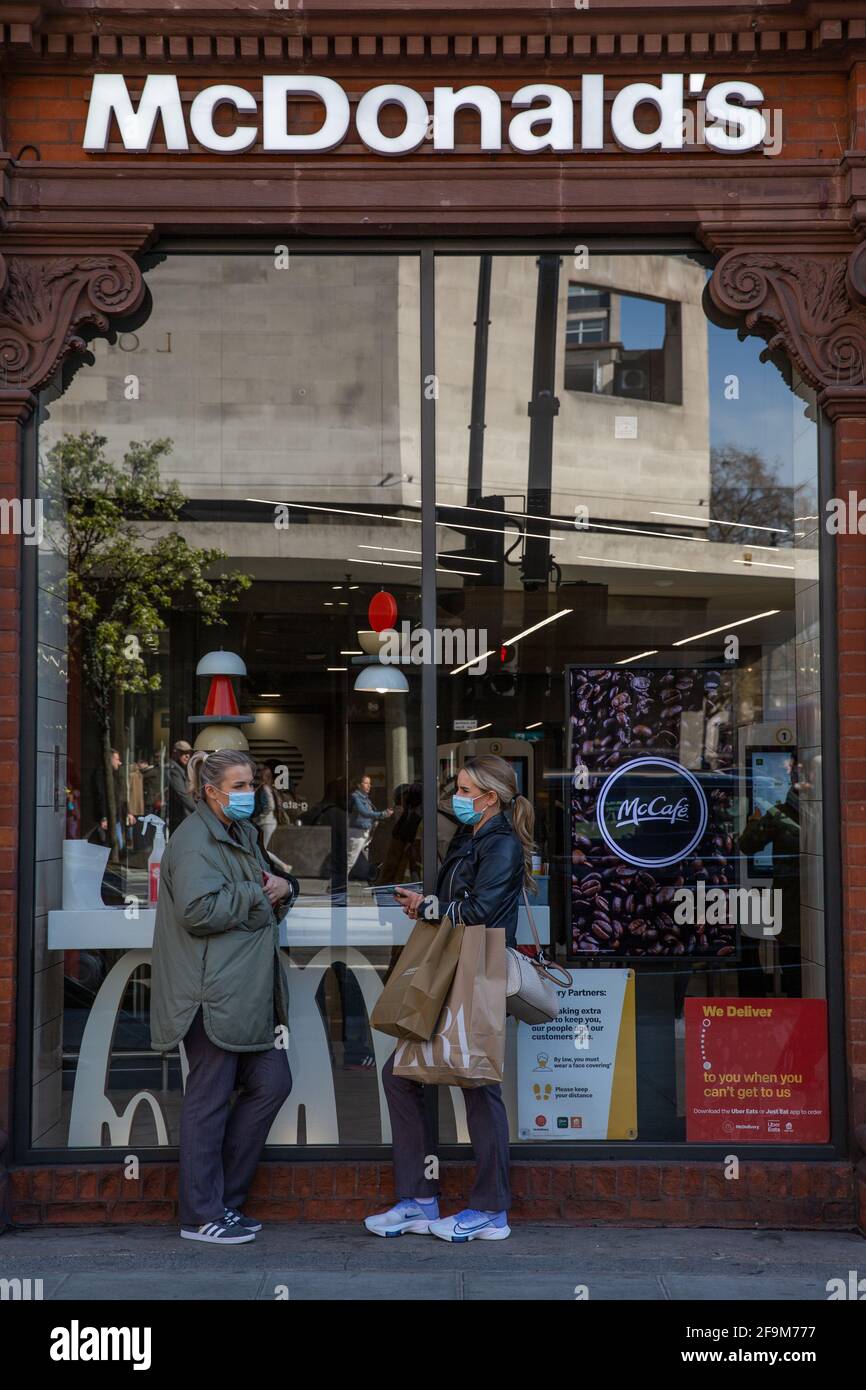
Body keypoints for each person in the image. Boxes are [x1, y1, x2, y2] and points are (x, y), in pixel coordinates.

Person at [365, 754, 535, 1243]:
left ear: (490, 797)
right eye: (456, 788)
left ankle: (490, 1211)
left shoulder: (499, 842)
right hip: (452, 969)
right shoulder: (474, 835)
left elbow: (481, 908)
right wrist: (427, 902)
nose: (457, 798)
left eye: (464, 790)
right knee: (401, 1075)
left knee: (478, 1085)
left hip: (474, 973)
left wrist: (429, 904)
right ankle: (419, 1200)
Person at [149, 747, 298, 1245]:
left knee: (272, 1083)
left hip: (247, 992)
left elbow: (266, 889)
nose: (249, 794)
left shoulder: (241, 833)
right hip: (209, 993)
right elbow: (198, 910)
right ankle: (200, 1215)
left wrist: (283, 888)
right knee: (208, 1101)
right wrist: (260, 893)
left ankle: (224, 1202)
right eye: (238, 786)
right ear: (210, 792)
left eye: (251, 784)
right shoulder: (193, 841)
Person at [347, 774, 392, 879]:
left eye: (370, 783)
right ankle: (335, 884)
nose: (369, 786)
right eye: (366, 783)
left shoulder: (366, 799)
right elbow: (364, 813)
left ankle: (371, 876)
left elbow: (371, 813)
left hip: (366, 833)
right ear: (359, 785)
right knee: (350, 860)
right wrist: (383, 814)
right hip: (357, 833)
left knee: (367, 856)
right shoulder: (355, 797)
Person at [167, 739, 196, 831]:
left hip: (182, 816)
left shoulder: (181, 769)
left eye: (189, 753)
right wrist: (198, 811)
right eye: (183, 753)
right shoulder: (174, 770)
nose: (187, 756)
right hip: (178, 817)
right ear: (175, 753)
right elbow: (182, 795)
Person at [253, 763, 280, 848]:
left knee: (263, 849)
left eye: (261, 774)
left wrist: (260, 816)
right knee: (263, 848)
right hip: (269, 822)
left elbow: (270, 806)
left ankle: (283, 862)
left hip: (267, 822)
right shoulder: (271, 789)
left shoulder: (265, 788)